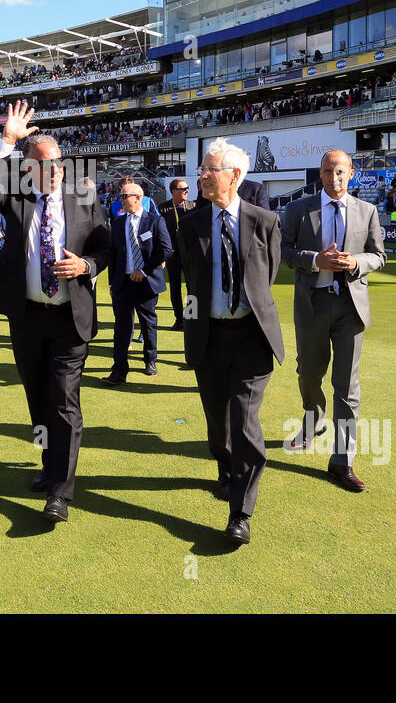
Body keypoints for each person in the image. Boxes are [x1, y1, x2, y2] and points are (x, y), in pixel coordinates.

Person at [0, 101, 111, 523]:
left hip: (71, 317)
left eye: (56, 163)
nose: (52, 170)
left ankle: (60, 491)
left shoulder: (84, 198)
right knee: (38, 399)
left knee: (64, 401)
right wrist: (8, 140)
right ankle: (49, 466)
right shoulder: (14, 196)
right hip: (28, 315)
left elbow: (105, 247)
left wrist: (86, 266)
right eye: (41, 164)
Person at [177, 138, 285, 544]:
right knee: (218, 428)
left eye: (209, 170)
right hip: (209, 336)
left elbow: (267, 277)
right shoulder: (189, 224)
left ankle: (240, 512)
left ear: (234, 176)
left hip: (252, 337)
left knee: (244, 423)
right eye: (202, 169)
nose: (201, 176)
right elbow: (192, 279)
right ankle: (223, 466)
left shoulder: (265, 222)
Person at [280, 149, 387, 492]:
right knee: (308, 373)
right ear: (321, 175)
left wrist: (356, 263)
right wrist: (316, 260)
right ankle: (313, 420)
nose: (334, 177)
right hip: (312, 306)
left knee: (347, 387)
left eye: (340, 172)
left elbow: (379, 256)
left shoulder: (367, 211)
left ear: (351, 173)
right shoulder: (298, 209)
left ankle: (343, 461)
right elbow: (282, 251)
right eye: (328, 172)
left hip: (350, 308)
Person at [101, 179, 171, 384]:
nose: (121, 200)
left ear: (138, 197)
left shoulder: (155, 221)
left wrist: (145, 270)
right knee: (121, 327)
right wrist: (112, 283)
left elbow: (166, 250)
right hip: (123, 283)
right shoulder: (117, 223)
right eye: (120, 196)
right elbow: (113, 256)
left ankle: (150, 360)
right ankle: (119, 370)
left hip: (146, 282)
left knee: (148, 324)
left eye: (125, 196)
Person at [158, 178, 196, 331]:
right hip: (173, 256)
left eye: (187, 188)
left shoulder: (193, 206)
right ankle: (179, 320)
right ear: (173, 191)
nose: (187, 190)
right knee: (175, 288)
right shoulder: (163, 208)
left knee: (192, 288)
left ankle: (192, 319)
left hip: (191, 255)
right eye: (183, 188)